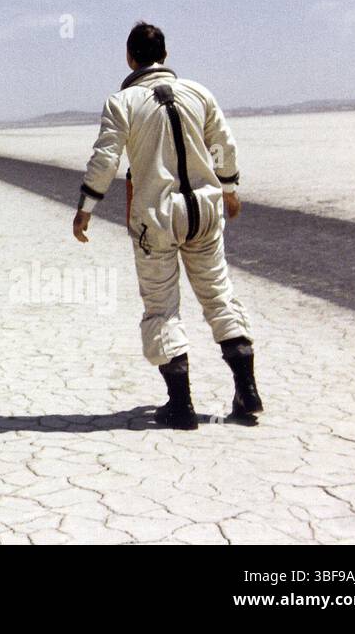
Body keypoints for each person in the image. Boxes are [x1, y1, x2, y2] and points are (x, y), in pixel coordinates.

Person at [71, 22, 262, 429]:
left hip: (156, 218)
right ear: (166, 55)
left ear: (129, 57)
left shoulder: (122, 102)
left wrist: (86, 206)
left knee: (161, 307)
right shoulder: (200, 93)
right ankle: (247, 392)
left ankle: (181, 406)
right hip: (206, 212)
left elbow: (105, 159)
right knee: (218, 296)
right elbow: (222, 145)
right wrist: (229, 188)